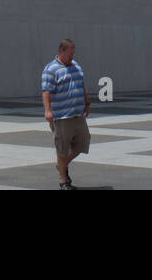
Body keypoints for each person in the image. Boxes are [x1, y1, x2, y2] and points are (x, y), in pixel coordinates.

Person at [41, 38, 90, 190]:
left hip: (77, 115)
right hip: (62, 117)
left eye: (73, 53)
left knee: (83, 143)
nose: (72, 57)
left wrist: (87, 103)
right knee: (62, 148)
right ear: (62, 51)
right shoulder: (50, 69)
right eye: (70, 54)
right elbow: (46, 92)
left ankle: (60, 165)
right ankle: (63, 181)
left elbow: (82, 85)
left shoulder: (76, 65)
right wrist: (47, 110)